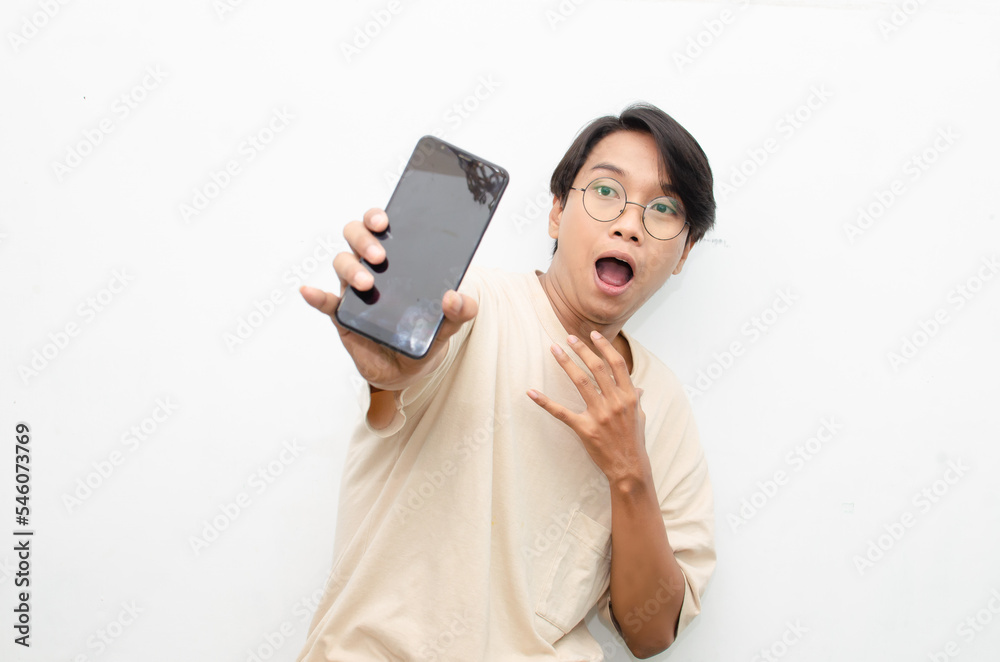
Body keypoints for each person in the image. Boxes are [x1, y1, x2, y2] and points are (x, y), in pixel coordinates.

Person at [296, 102, 716, 661]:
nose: (629, 225)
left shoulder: (662, 403)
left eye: (663, 209)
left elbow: (651, 632)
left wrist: (629, 472)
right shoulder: (468, 304)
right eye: (606, 191)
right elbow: (413, 368)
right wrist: (392, 372)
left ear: (684, 252)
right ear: (556, 212)